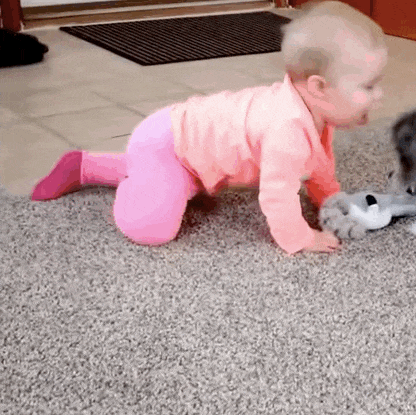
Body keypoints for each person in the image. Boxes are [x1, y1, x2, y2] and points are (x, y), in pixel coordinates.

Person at [31, 0, 387, 255]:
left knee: (177, 184)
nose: (379, 94)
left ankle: (125, 170)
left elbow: (319, 168)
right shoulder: (286, 130)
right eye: (368, 86)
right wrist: (301, 238)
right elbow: (276, 195)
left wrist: (332, 203)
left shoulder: (314, 116)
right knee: (151, 229)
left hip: (186, 152)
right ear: (319, 88)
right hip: (168, 146)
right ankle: (98, 169)